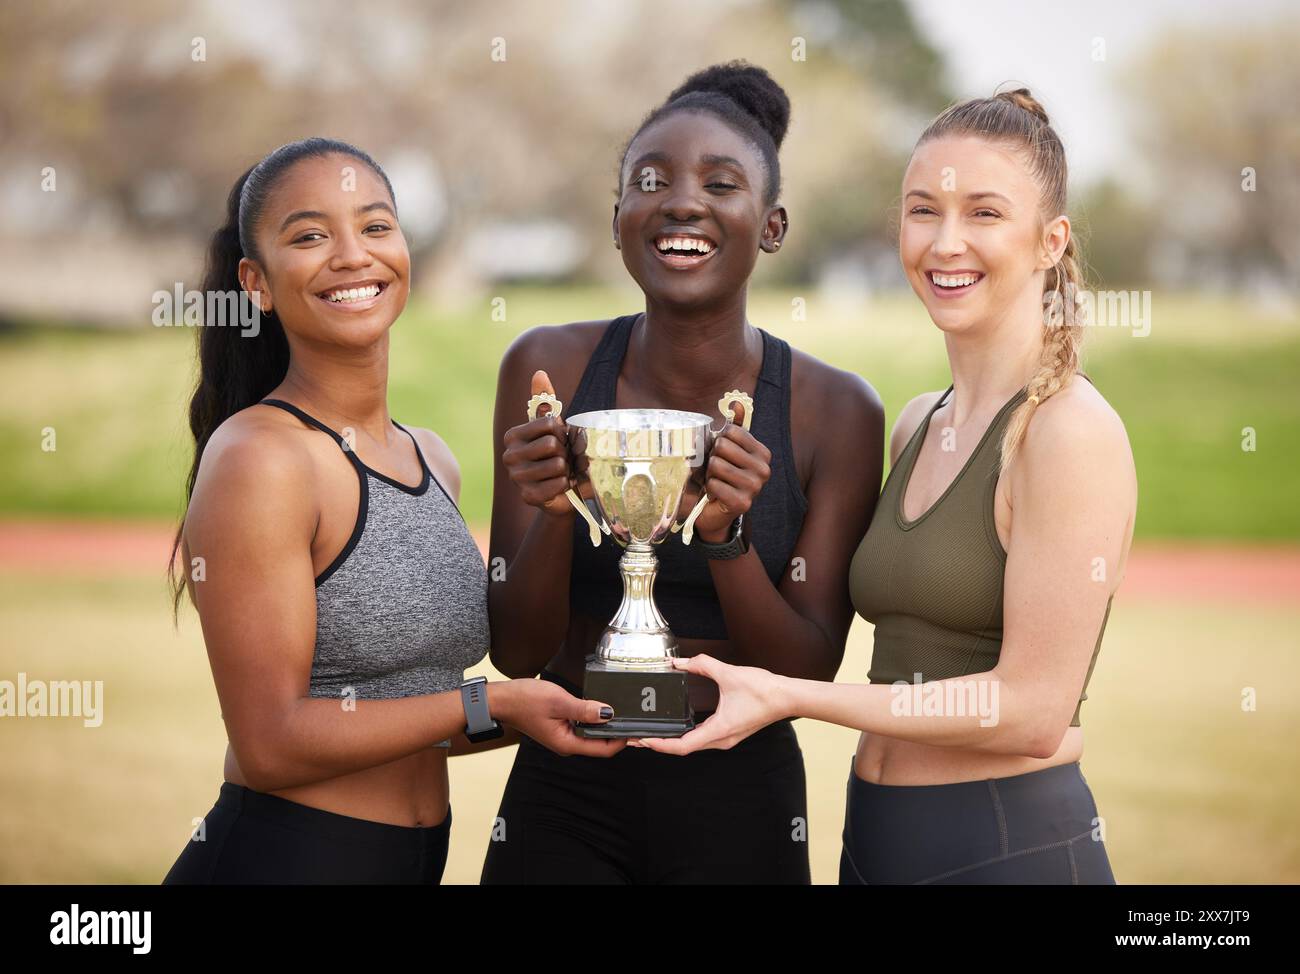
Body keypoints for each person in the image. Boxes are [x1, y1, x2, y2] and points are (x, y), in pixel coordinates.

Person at [637, 89, 1136, 885]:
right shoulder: (915, 423)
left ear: (1050, 242)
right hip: (873, 843)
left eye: (983, 214)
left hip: (1007, 848)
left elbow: (1034, 711)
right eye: (922, 210)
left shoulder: (1068, 431)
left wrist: (791, 697)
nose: (945, 243)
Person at [162, 137, 621, 885]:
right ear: (257, 282)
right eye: (310, 236)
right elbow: (272, 742)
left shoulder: (430, 457)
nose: (352, 256)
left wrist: (559, 712)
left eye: (376, 227)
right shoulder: (262, 457)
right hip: (287, 860)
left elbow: (411, 720)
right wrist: (496, 698)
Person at [479, 62, 885, 885]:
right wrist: (557, 509)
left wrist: (726, 540)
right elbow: (519, 654)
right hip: (565, 785)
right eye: (651, 180)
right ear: (619, 218)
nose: (682, 201)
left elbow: (808, 671)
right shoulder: (547, 366)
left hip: (741, 791)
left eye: (721, 182)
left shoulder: (834, 409)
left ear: (771, 227)